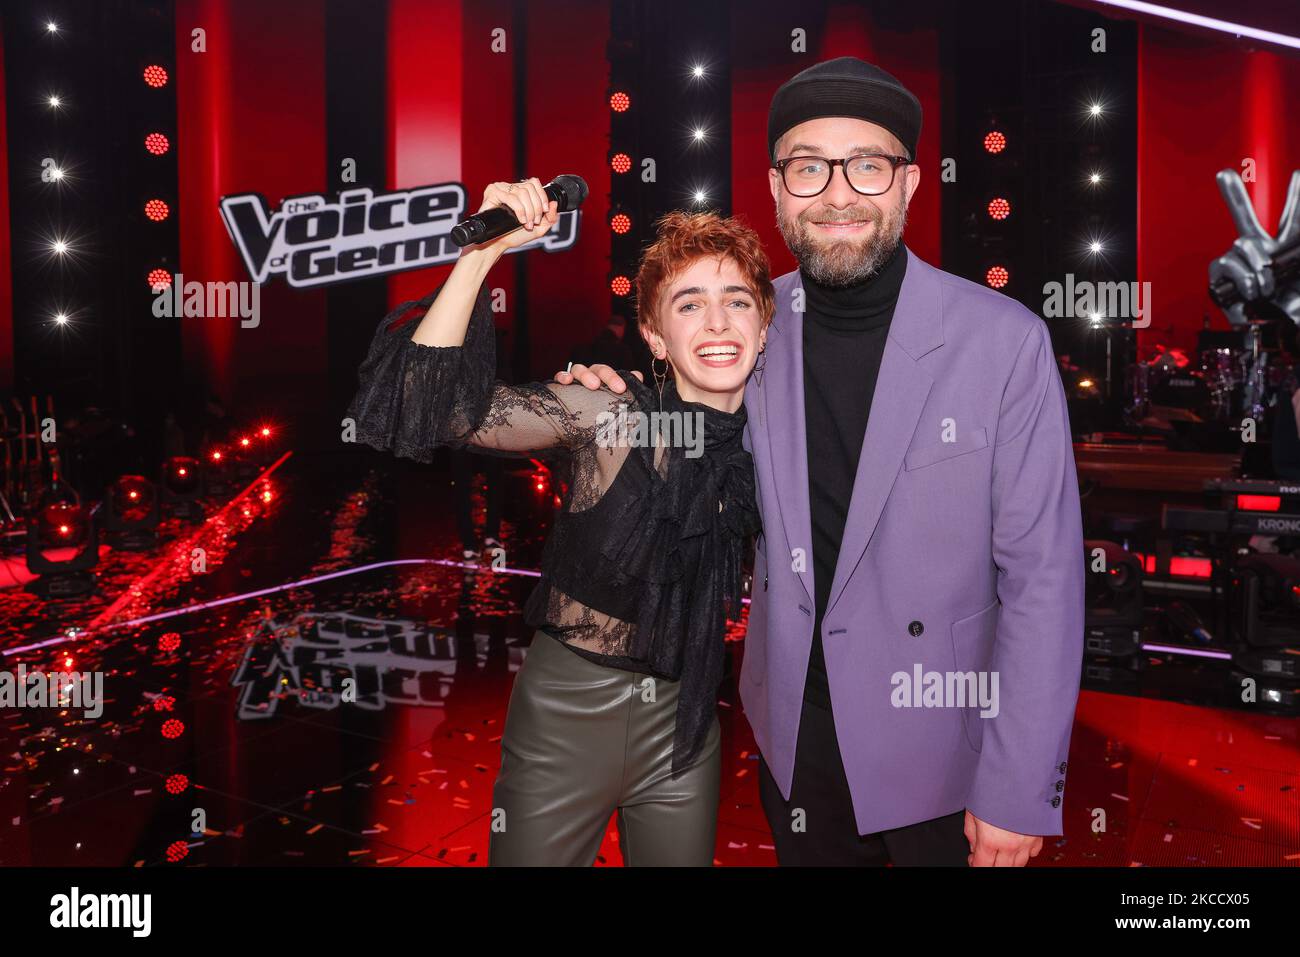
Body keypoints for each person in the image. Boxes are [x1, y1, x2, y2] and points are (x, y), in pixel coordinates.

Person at [560, 57, 1085, 867]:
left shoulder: (1004, 339)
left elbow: (1044, 580)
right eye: (808, 167)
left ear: (909, 183)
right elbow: (676, 428)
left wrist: (1017, 787)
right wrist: (604, 394)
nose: (837, 194)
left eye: (867, 165)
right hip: (798, 748)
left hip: (947, 754)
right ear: (777, 191)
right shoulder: (748, 329)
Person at [346, 178, 773, 866]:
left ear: (764, 325)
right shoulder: (606, 413)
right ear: (655, 337)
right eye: (689, 303)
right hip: (567, 717)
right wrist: (483, 254)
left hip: (686, 728)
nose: (718, 321)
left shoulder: (771, 443)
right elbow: (430, 409)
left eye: (738, 301)